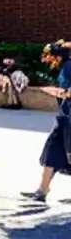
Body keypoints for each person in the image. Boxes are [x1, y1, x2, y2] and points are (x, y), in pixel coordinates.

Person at [23, 41, 71, 203]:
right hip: (65, 118)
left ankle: (42, 190)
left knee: (60, 150)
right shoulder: (66, 66)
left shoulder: (68, 67)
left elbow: (67, 92)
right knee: (53, 150)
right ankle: (42, 190)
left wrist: (53, 91)